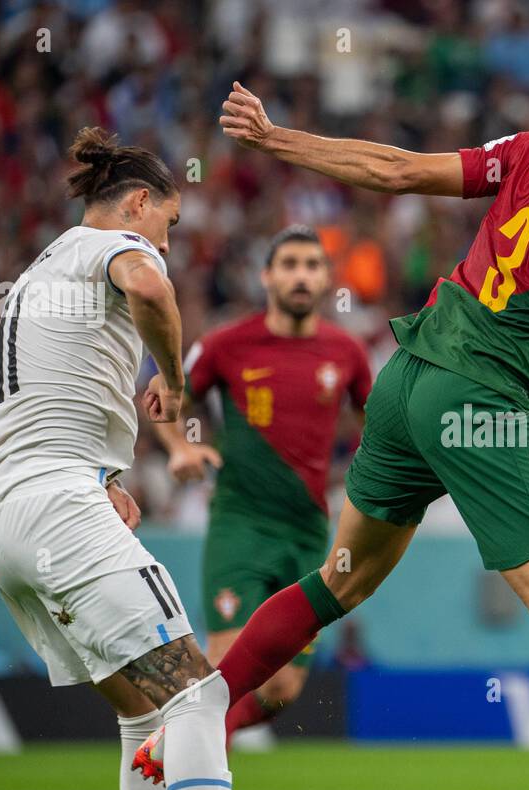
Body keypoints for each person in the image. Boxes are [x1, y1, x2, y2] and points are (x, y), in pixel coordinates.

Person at [152, 74, 529, 790]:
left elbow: (395, 170)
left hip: (404, 378)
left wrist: (276, 138)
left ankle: (190, 719)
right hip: (478, 396)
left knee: (341, 580)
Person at [0, 128, 232, 790]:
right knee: (197, 697)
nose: (168, 244)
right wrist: (176, 383)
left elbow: (55, 392)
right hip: (58, 505)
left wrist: (105, 476)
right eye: (171, 225)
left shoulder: (40, 269)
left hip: (7, 517)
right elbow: (151, 287)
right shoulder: (117, 250)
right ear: (141, 204)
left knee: (145, 715)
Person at [151, 225, 371, 746]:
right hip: (240, 527)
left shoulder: (347, 353)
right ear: (266, 275)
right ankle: (189, 779)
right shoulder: (227, 344)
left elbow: (381, 424)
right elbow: (163, 393)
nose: (301, 275)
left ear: (326, 279)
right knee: (227, 671)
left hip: (308, 531)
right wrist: (181, 448)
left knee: (282, 688)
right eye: (290, 264)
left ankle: (179, 741)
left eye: (312, 265)